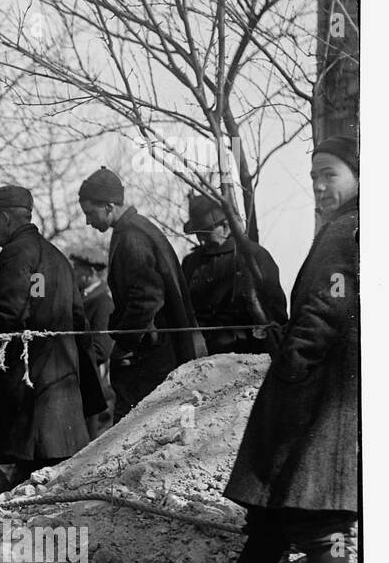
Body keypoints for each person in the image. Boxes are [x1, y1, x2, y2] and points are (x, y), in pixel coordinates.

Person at [152, 137, 359, 563]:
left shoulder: (348, 234)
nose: (319, 185)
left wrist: (293, 362)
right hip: (321, 386)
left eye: (331, 174)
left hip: (322, 392)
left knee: (319, 511)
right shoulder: (347, 229)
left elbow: (328, 309)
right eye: (314, 174)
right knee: (274, 509)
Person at [0, 186, 104, 486]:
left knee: (32, 464)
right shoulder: (58, 257)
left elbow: (10, 312)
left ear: (6, 218)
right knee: (52, 467)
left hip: (29, 382)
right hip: (62, 382)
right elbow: (78, 320)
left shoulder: (15, 252)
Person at [78, 167, 203, 420]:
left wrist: (125, 343)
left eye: (91, 213)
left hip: (154, 354)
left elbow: (147, 297)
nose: (88, 221)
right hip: (163, 348)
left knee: (137, 425)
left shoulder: (131, 238)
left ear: (109, 206)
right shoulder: (137, 229)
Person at [180, 194, 288, 356]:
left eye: (206, 231)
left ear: (226, 226)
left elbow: (275, 311)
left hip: (245, 352)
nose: (201, 239)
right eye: (198, 233)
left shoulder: (253, 256)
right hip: (199, 353)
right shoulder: (191, 262)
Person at [69, 243, 115, 439]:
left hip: (87, 381)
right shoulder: (81, 297)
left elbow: (101, 349)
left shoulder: (103, 302)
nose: (73, 273)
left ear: (89, 272)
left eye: (76, 269)